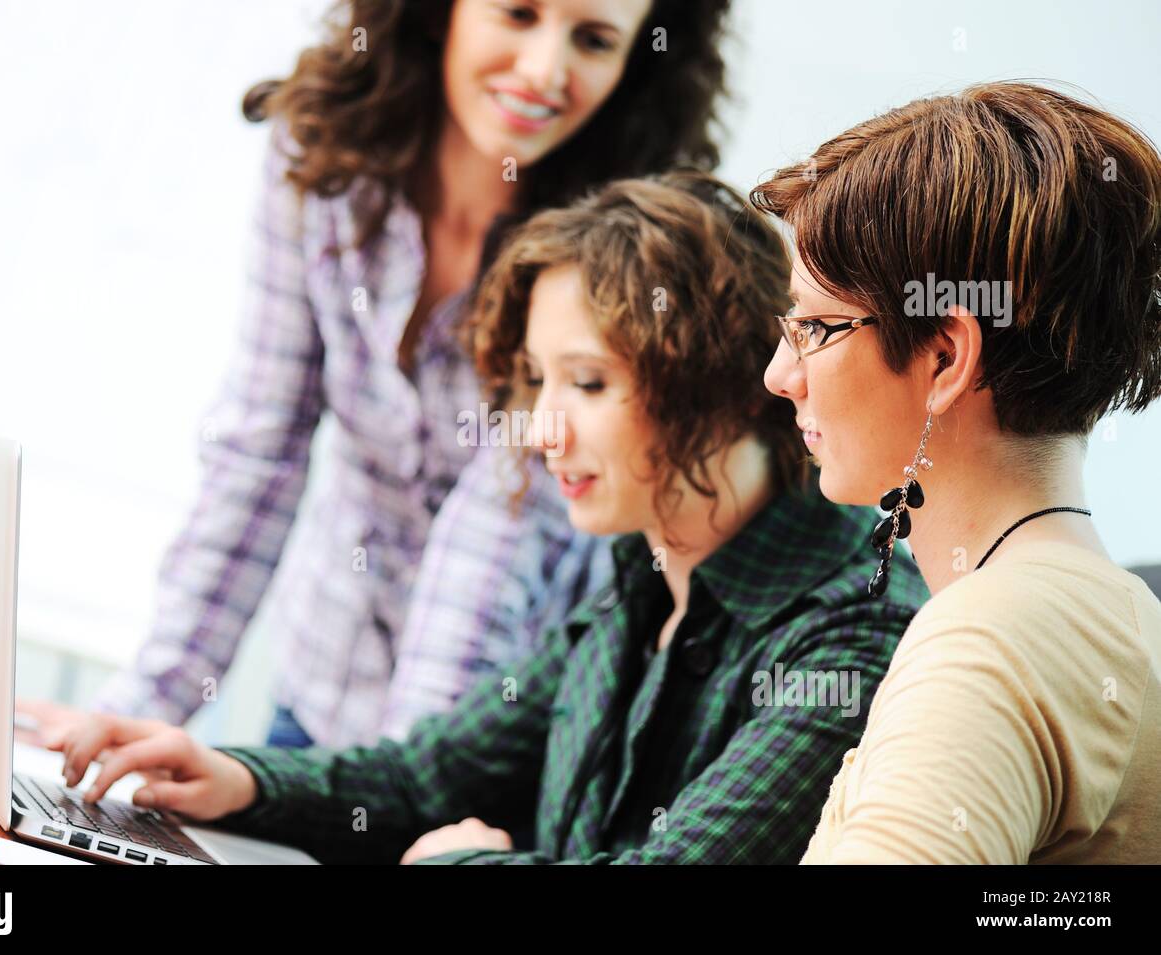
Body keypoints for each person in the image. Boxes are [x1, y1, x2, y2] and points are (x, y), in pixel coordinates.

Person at [47, 172, 929, 864]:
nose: (542, 428)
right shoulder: (640, 580)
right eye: (537, 380)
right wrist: (232, 774)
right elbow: (424, 773)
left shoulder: (850, 632)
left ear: (722, 382)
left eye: (587, 383)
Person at [21, 0, 741, 749]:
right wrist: (143, 702)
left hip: (493, 735)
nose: (544, 71)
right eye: (518, 13)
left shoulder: (619, 255)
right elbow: (260, 444)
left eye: (593, 40)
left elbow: (500, 525)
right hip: (323, 683)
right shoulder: (323, 162)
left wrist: (402, 785)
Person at [755, 81, 1161, 863]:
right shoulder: (1125, 615)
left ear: (945, 357)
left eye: (813, 326)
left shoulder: (988, 640)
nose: (780, 373)